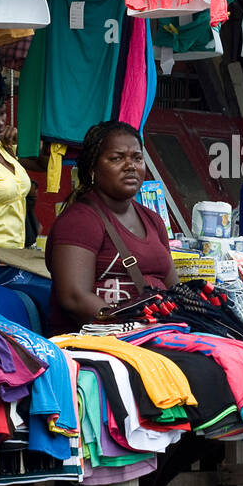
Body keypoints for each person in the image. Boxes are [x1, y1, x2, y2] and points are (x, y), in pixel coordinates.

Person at [47, 120, 177, 335]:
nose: (130, 166)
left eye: (137, 158)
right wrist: (133, 326)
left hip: (157, 331)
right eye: (117, 158)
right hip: (101, 339)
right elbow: (74, 298)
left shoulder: (153, 220)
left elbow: (173, 289)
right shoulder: (80, 221)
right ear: (92, 168)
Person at [0, 92, 35, 249]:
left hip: (17, 250)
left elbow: (45, 163)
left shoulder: (5, 146)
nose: (0, 122)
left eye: (3, 113)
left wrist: (23, 139)